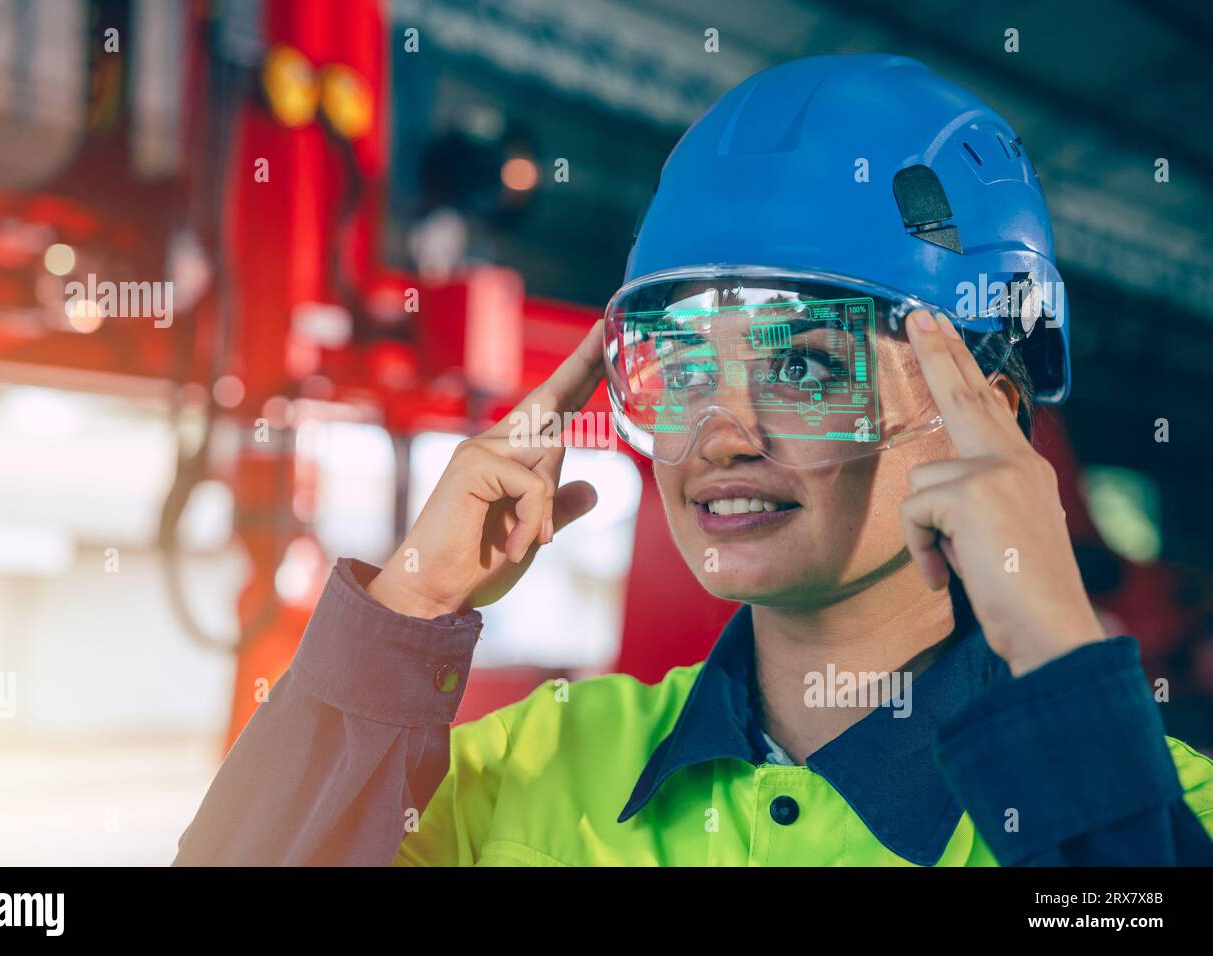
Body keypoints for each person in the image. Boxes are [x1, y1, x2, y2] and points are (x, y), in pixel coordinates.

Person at [174, 54, 1213, 866]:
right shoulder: (533, 764)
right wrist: (409, 605)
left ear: (987, 407)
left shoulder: (1155, 806)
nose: (721, 433)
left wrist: (1051, 639)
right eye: (674, 365)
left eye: (806, 364)